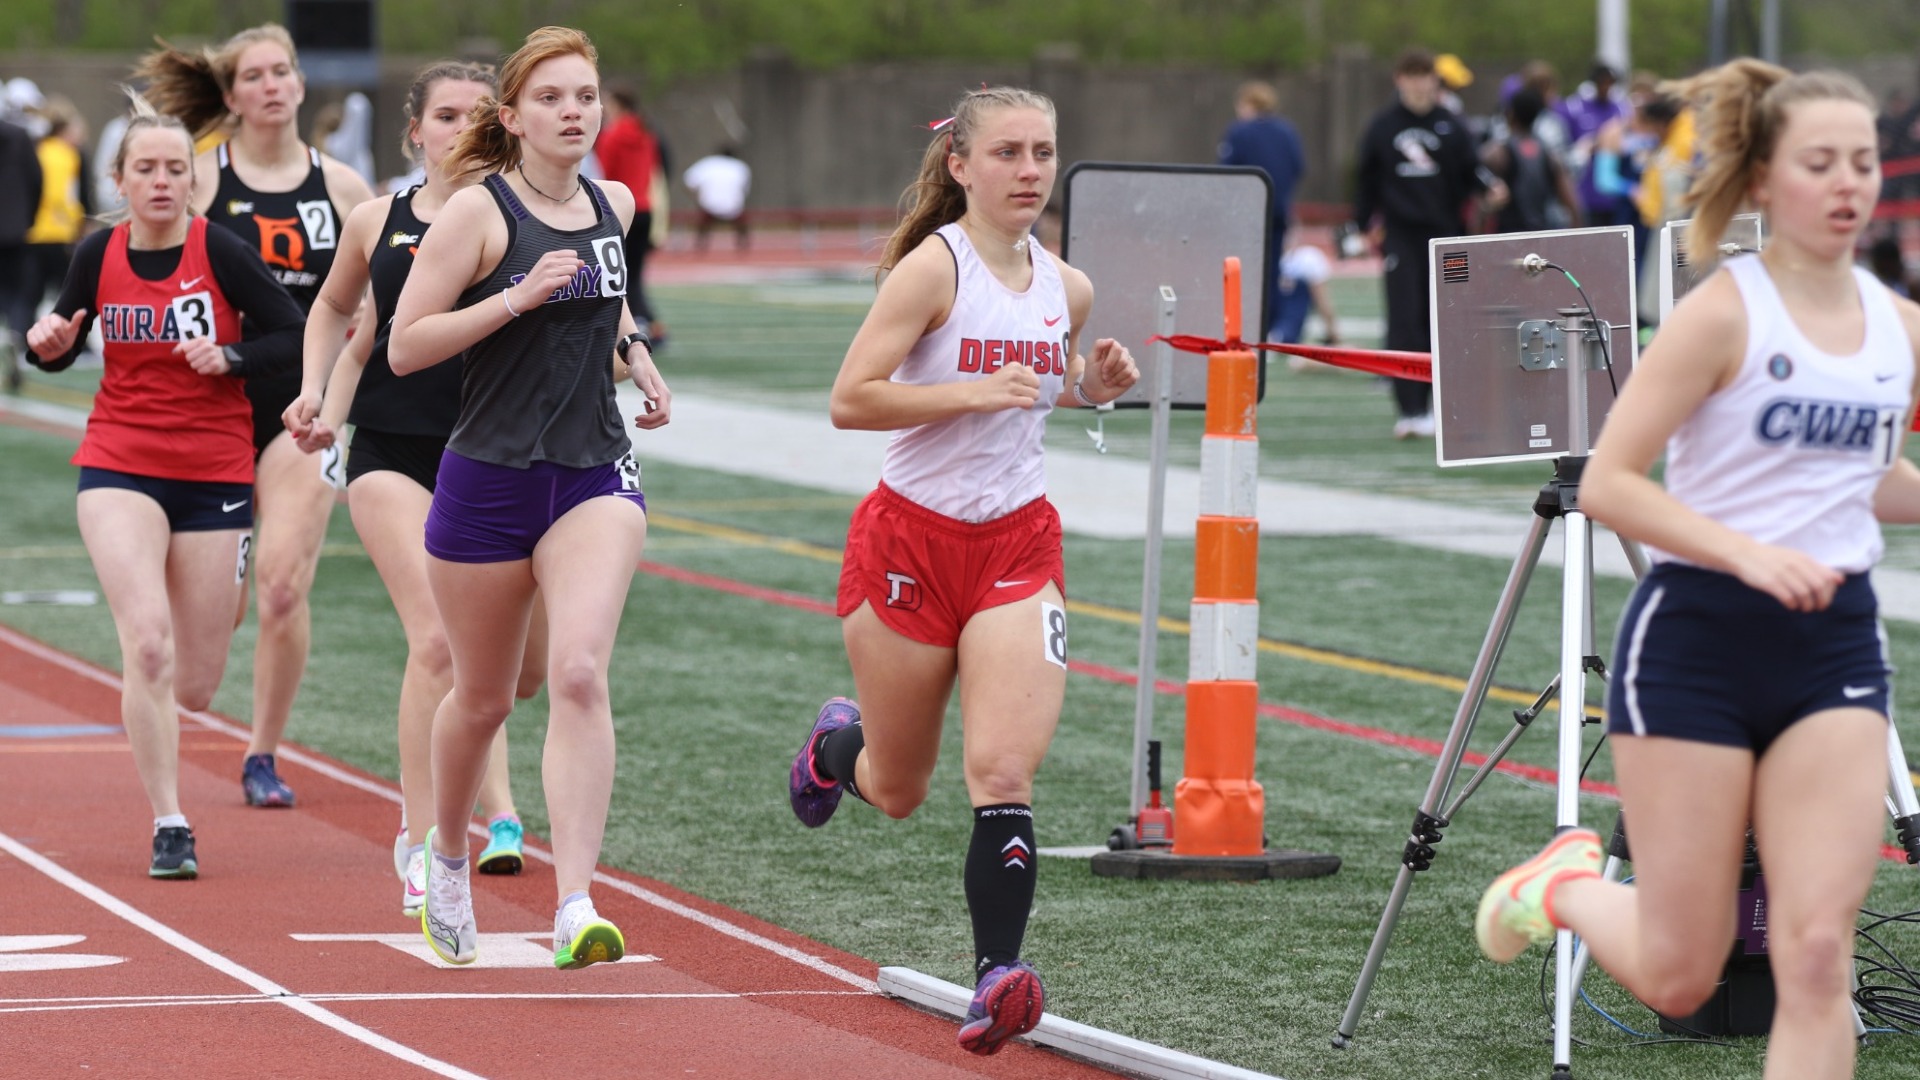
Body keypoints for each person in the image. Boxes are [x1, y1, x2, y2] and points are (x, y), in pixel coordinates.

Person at [1476, 62, 1920, 1080]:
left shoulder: (1899, 327)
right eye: (1820, 162)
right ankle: (1564, 887)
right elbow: (1611, 483)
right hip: (1698, 644)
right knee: (1682, 973)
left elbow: (1869, 473)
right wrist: (1742, 550)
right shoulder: (1722, 313)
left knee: (1818, 955)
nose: (1849, 183)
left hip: (1834, 650)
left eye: (1863, 162)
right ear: (1762, 178)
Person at [784, 85, 1139, 1056]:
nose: (1029, 171)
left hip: (1017, 546)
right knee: (899, 787)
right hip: (908, 544)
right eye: (1008, 153)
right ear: (961, 166)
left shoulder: (1066, 287)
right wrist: (970, 392)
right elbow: (852, 400)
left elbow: (1046, 383)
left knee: (1003, 768)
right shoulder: (930, 270)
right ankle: (831, 752)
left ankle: (997, 977)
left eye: (1043, 153)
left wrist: (1091, 385)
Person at [387, 25, 671, 971]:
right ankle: (447, 855)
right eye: (551, 97)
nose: (573, 112)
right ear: (511, 117)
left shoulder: (613, 201)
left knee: (580, 672)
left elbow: (608, 297)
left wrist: (635, 356)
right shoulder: (477, 213)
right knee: (482, 697)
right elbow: (405, 345)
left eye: (585, 95)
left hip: (594, 470)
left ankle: (576, 903)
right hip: (487, 478)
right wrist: (515, 298)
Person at [283, 61, 540, 916]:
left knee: (519, 675)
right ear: (415, 132)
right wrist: (317, 396)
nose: (462, 128)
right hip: (393, 452)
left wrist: (630, 357)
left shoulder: (524, 214)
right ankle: (424, 839)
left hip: (504, 457)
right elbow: (338, 314)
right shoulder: (377, 219)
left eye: (477, 113)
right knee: (436, 640)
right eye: (446, 115)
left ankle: (473, 814)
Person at [23, 100, 305, 878]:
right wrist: (46, 345)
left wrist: (232, 357)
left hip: (215, 469)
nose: (160, 181)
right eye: (145, 168)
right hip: (119, 461)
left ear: (193, 181)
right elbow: (60, 338)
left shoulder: (223, 252)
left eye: (175, 169)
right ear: (119, 179)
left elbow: (292, 335)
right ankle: (170, 822)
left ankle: (205, 626)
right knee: (147, 643)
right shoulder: (98, 252)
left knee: (199, 685)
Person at [136, 24, 377, 808]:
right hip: (210, 414)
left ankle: (263, 754)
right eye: (255, 76)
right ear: (231, 95)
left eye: (282, 72)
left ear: (301, 85)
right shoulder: (200, 180)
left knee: (280, 589)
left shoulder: (344, 189)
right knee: (222, 611)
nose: (272, 86)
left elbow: (381, 297)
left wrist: (357, 348)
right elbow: (148, 270)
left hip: (302, 413)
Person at [1352, 47, 1504, 439]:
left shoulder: (1451, 125)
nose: (1420, 84)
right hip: (1401, 236)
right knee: (1405, 320)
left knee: (1448, 320)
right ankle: (1411, 409)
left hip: (1448, 237)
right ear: (1399, 80)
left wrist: (1491, 190)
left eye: (1426, 76)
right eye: (1412, 76)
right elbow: (1366, 178)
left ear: (1436, 81)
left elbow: (1473, 171)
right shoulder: (1383, 125)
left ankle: (1445, 406)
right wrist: (1363, 224)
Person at [1217, 80, 1305, 340]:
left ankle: (1246, 323)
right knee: (1272, 268)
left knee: (1243, 268)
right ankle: (1270, 324)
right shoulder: (1287, 131)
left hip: (1246, 214)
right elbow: (1299, 166)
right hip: (1278, 210)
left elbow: (1226, 171)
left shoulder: (1239, 132)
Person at [594, 83, 666, 345]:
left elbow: (604, 172)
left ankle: (638, 326)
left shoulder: (611, 136)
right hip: (645, 207)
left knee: (617, 276)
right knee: (634, 274)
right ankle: (650, 324)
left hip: (620, 209)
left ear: (619, 106)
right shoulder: (647, 134)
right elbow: (655, 169)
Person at [1481, 87, 1581, 234]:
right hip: (1539, 233)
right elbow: (1572, 204)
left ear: (1510, 114)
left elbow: (1480, 205)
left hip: (1507, 235)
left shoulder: (1497, 153)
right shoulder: (1548, 154)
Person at [682, 143, 751, 252]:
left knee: (704, 221)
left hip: (709, 206)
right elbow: (745, 189)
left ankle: (700, 244)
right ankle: (743, 243)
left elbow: (688, 180)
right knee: (741, 221)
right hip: (733, 206)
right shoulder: (740, 167)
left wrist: (696, 196)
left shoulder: (708, 163)